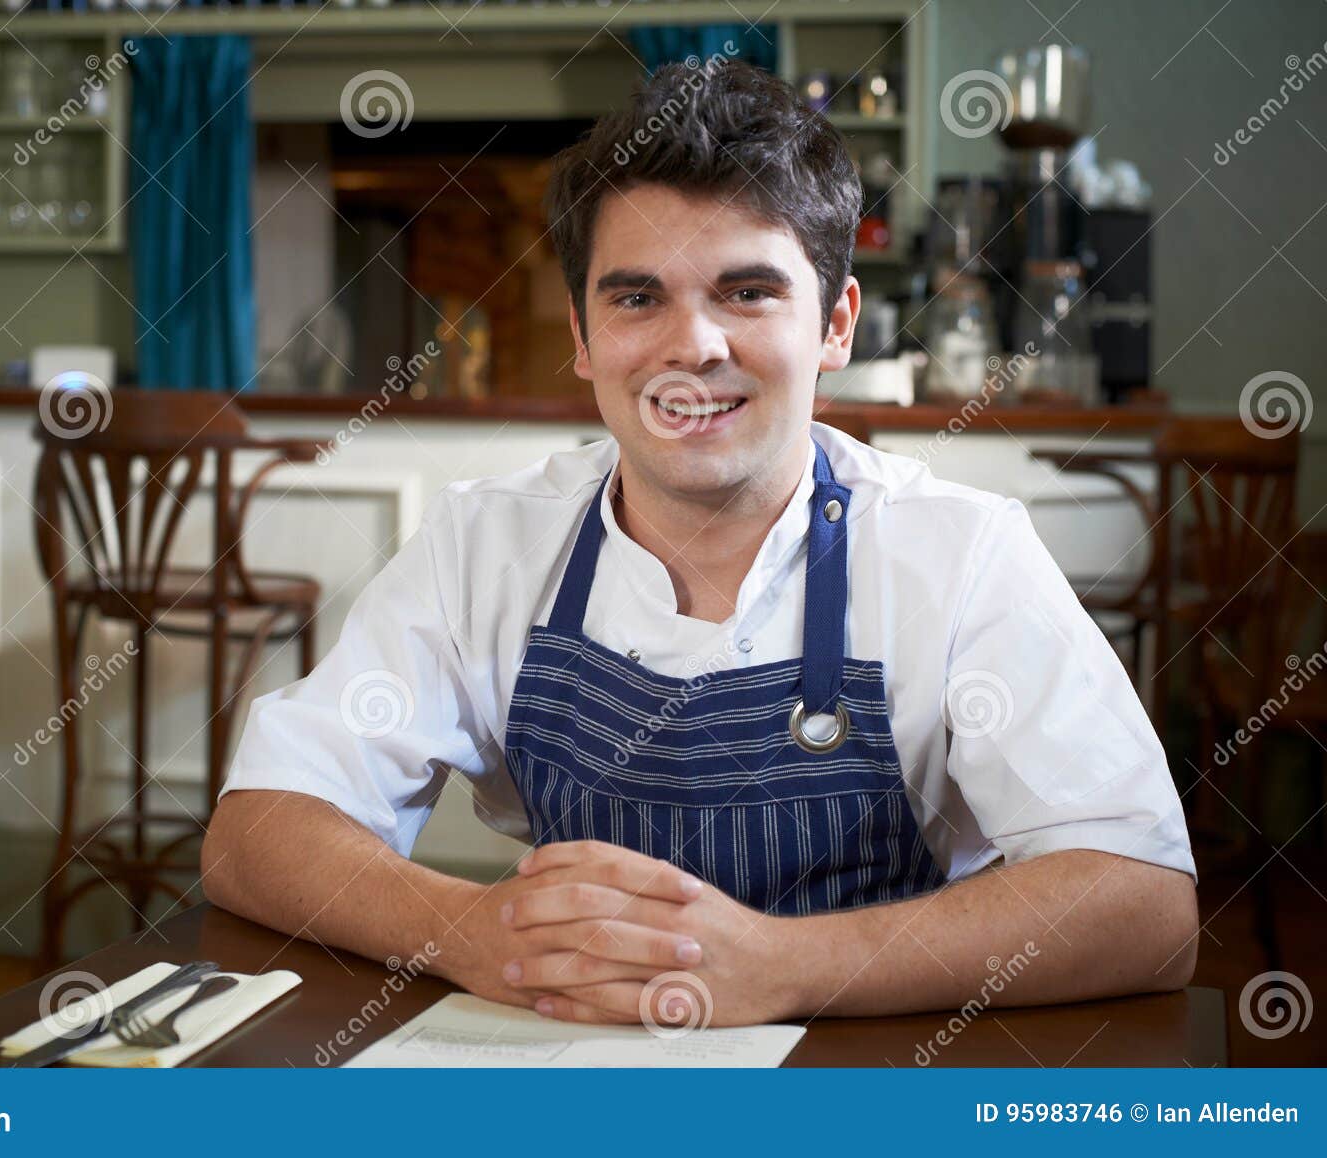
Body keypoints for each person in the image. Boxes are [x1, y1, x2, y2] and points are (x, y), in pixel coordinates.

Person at [203, 60, 1197, 1027]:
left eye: (747, 293)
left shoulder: (961, 551)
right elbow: (257, 831)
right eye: (637, 298)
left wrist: (782, 968)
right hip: (571, 1055)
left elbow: (1142, 908)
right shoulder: (486, 541)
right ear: (584, 338)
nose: (692, 345)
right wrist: (466, 928)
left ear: (835, 324)